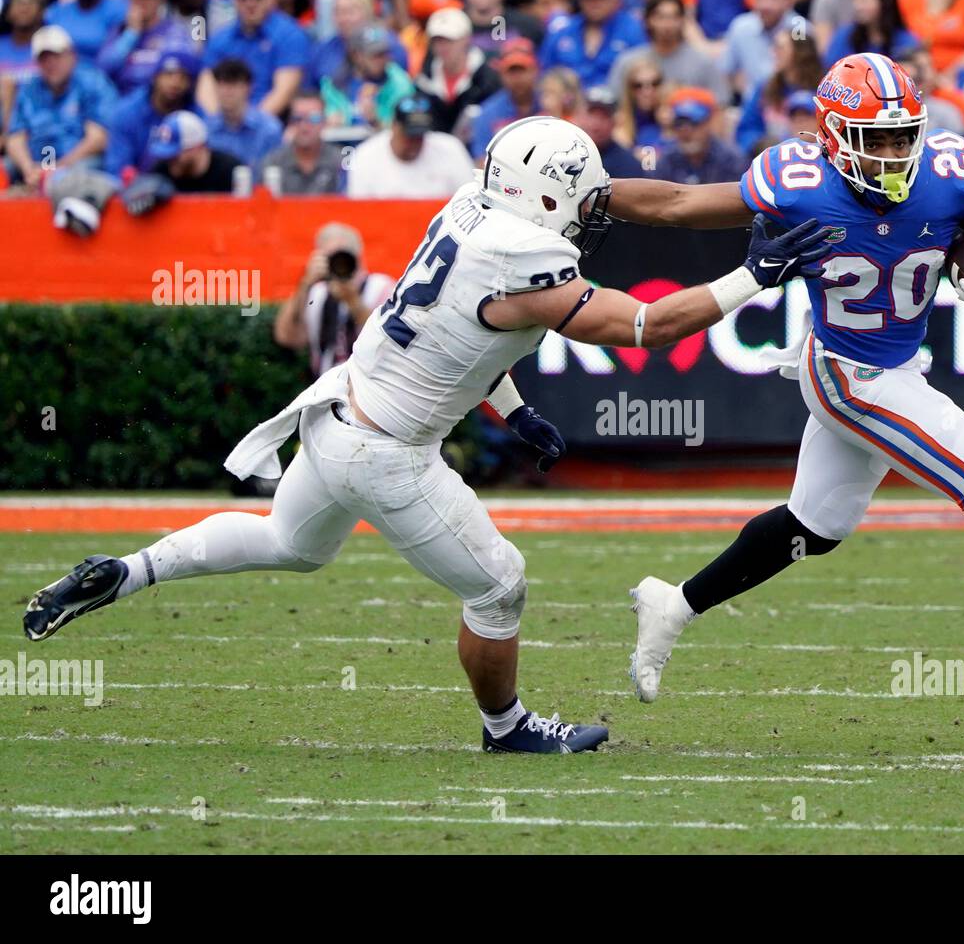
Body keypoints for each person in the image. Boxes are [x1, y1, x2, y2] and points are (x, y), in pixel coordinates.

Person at [22, 114, 832, 756]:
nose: (592, 215)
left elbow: (462, 334)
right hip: (388, 454)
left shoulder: (468, 208)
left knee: (289, 543)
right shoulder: (531, 258)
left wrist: (512, 409)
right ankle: (507, 727)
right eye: (584, 202)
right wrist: (754, 275)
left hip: (336, 414)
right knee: (499, 585)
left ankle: (126, 571)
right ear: (547, 200)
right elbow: (649, 325)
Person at [607, 53, 964, 736]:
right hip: (846, 373)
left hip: (900, 366)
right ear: (830, 136)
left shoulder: (948, 168)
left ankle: (674, 604)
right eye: (872, 138)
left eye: (899, 136)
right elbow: (676, 204)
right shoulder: (794, 182)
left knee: (811, 529)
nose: (889, 152)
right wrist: (587, 193)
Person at [274, 223, 396, 376]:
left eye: (343, 256)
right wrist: (305, 284)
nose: (339, 264)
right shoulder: (316, 293)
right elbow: (287, 337)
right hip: (326, 390)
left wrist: (352, 300)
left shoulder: (381, 287)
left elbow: (389, 340)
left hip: (372, 387)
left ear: (358, 255)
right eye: (331, 258)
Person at [6, 25, 117, 189]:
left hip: (79, 160)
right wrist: (28, 168)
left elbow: (98, 139)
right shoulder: (30, 89)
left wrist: (60, 168)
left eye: (56, 56)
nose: (50, 63)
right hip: (42, 159)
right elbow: (15, 138)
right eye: (44, 58)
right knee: (6, 167)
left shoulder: (92, 82)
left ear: (72, 55)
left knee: (82, 170)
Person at [198, 0, 310, 118]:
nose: (250, 4)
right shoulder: (221, 38)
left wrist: (252, 126)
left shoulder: (290, 35)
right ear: (234, 1)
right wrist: (219, 123)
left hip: (273, 123)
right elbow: (206, 87)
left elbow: (284, 91)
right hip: (225, 121)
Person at [608, 0, 728, 108]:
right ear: (648, 20)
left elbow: (720, 105)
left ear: (683, 20)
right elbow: (613, 104)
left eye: (673, 17)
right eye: (660, 17)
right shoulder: (628, 62)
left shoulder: (702, 62)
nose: (667, 24)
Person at [346, 94, 475, 198]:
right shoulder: (366, 156)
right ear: (394, 126)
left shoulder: (450, 149)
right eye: (409, 135)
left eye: (420, 135)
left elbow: (469, 199)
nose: (415, 142)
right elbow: (360, 211)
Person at [104, 45, 201, 175]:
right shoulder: (128, 112)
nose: (175, 83)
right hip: (136, 187)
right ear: (155, 76)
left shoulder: (195, 114)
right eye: (169, 74)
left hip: (183, 186)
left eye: (183, 77)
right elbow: (117, 168)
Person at [415, 7, 500, 135]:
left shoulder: (488, 78)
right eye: (437, 40)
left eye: (449, 40)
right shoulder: (424, 80)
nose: (443, 47)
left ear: (466, 39)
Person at [96, 0, 197, 96]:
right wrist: (131, 34)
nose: (141, 3)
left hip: (159, 101)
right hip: (120, 100)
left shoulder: (175, 32)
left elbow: (181, 74)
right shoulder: (119, 31)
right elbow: (103, 69)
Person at [538, 0, 646, 88]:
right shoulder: (563, 31)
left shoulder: (633, 30)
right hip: (569, 103)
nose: (595, 3)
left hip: (618, 102)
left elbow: (644, 71)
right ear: (580, 0)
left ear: (616, 0)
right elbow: (545, 71)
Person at [735, 32, 823, 155]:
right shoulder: (765, 88)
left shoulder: (824, 89)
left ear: (800, 53)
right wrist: (761, 144)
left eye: (780, 48)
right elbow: (746, 129)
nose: (773, 52)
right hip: (774, 160)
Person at [258, 89, 346, 194]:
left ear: (324, 122)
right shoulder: (272, 164)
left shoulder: (340, 163)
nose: (304, 126)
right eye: (298, 118)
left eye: (314, 118)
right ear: (289, 122)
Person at [651, 89, 746, 183]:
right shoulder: (667, 161)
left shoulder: (731, 161)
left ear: (709, 122)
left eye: (694, 122)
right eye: (680, 122)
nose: (686, 130)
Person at [469, 38, 540, 161]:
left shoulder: (550, 104)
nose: (517, 78)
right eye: (511, 71)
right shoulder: (488, 113)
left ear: (535, 71)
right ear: (501, 75)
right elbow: (481, 160)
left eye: (522, 70)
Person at [206, 57, 284, 166]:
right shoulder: (206, 130)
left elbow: (276, 169)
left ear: (249, 87)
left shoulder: (269, 130)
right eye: (221, 84)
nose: (226, 91)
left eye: (233, 84)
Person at [720, 0, 799, 96]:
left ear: (788, 1)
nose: (765, 5)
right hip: (749, 102)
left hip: (792, 104)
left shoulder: (800, 29)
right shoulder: (740, 27)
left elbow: (806, 75)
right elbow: (726, 72)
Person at [148, 109, 243, 192]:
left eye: (175, 154)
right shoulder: (161, 172)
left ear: (197, 147)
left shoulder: (230, 172)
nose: (170, 159)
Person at [824, 0, 917, 66]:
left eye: (864, 0)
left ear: (884, 1)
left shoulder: (905, 40)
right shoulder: (844, 36)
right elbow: (830, 68)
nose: (858, 6)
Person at [578, 84, 645, 177]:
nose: (596, 125)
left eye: (603, 117)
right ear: (580, 116)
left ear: (615, 121)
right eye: (592, 115)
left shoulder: (629, 166)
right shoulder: (564, 156)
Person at [45, 0, 128, 61]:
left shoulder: (119, 9)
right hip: (57, 75)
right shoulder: (57, 12)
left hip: (102, 74)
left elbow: (116, 55)